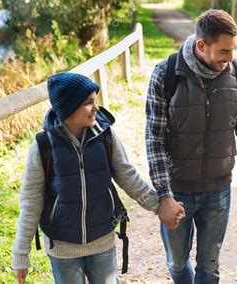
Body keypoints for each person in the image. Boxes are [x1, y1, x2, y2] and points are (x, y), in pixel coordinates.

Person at [145, 9, 237, 283]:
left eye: (233, 50)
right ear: (202, 45)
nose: (230, 58)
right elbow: (154, 141)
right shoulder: (166, 75)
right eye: (224, 51)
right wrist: (164, 196)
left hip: (218, 191)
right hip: (178, 191)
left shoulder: (236, 73)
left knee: (209, 267)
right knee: (177, 263)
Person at [11, 72, 165, 284]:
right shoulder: (42, 147)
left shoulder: (106, 136)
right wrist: (20, 254)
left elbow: (128, 176)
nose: (96, 108)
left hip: (102, 241)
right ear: (69, 107)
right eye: (88, 102)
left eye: (95, 101)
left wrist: (158, 205)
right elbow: (30, 203)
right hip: (63, 248)